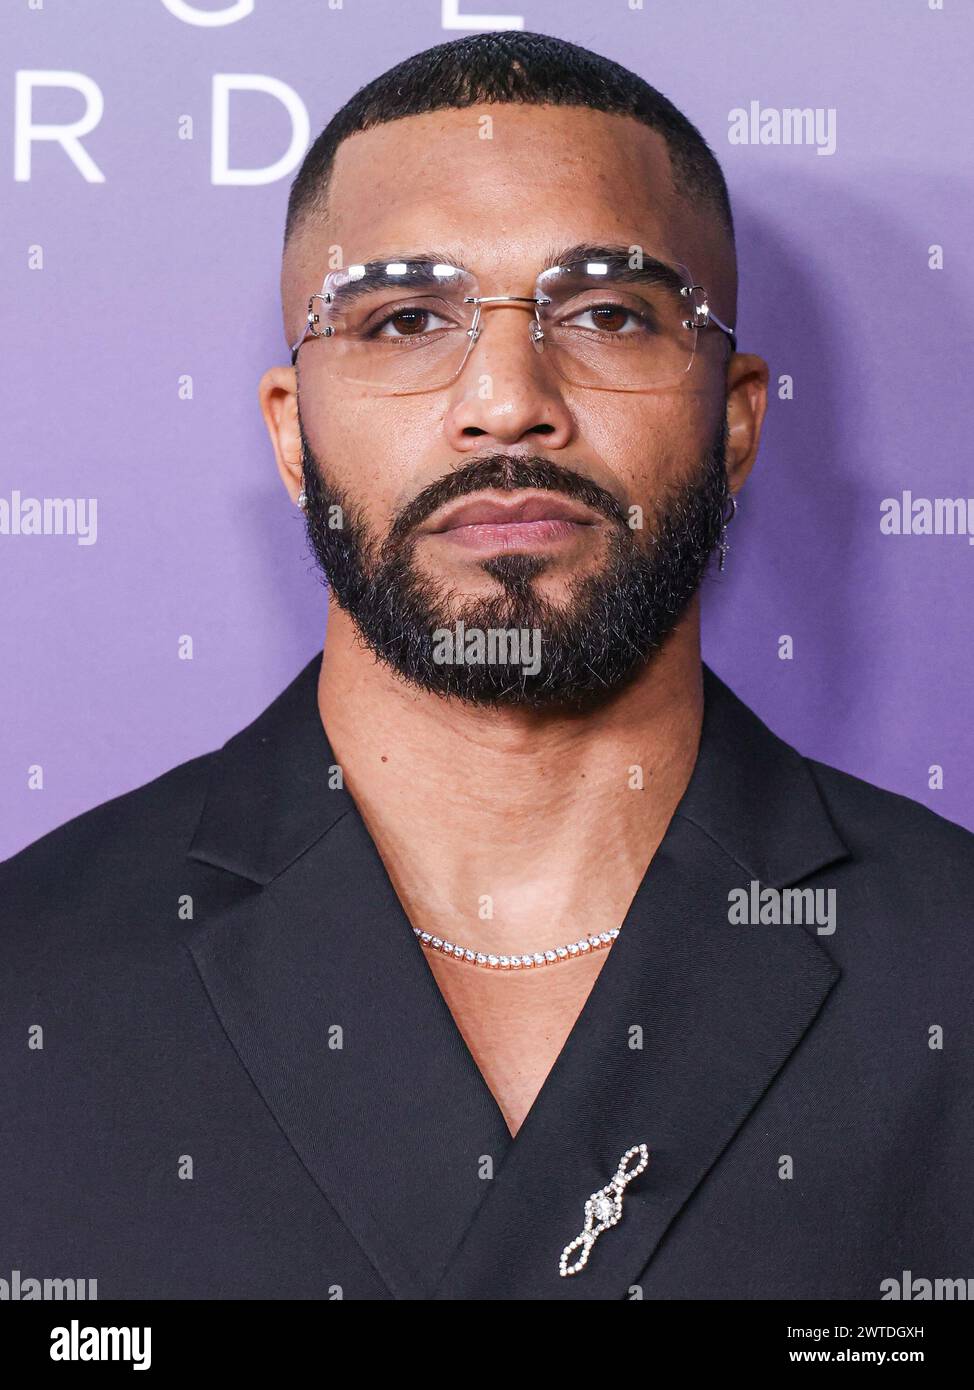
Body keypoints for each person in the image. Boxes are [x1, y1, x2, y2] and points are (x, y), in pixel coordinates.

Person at [2, 30, 972, 1302]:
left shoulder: (945, 961)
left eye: (608, 311)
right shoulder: (36, 971)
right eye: (405, 318)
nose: (506, 397)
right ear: (293, 435)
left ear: (733, 420)